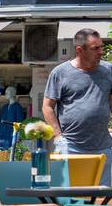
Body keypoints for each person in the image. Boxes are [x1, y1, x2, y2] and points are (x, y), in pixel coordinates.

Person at [43, 27, 112, 186]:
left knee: (104, 200)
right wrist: (58, 137)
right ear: (80, 50)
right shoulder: (60, 73)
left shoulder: (108, 70)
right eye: (96, 48)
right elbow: (47, 107)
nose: (101, 51)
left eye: (101, 46)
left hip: (103, 147)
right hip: (71, 147)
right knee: (71, 198)